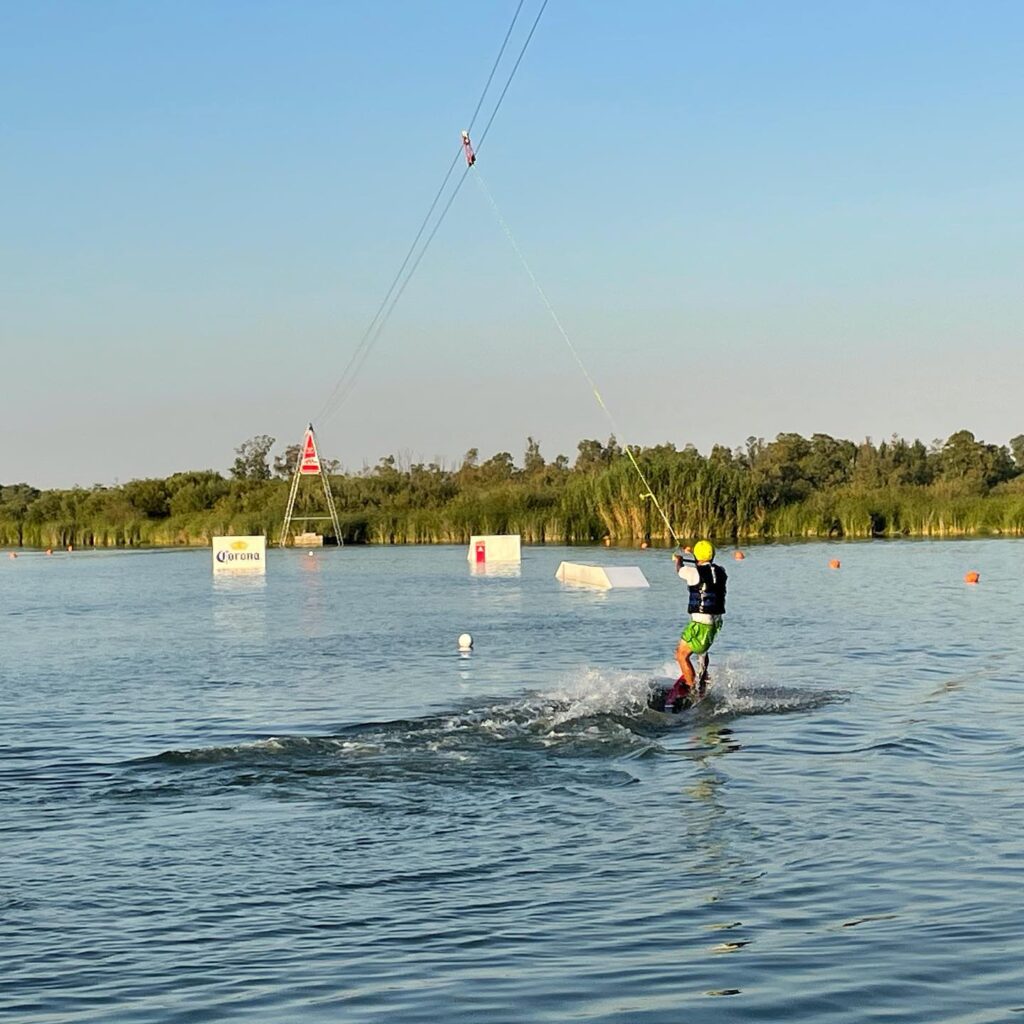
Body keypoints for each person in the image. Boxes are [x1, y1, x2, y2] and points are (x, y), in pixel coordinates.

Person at [666, 539, 727, 704]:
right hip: (715, 623)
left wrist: (678, 561)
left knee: (681, 655)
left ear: (697, 557)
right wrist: (692, 556)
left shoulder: (693, 573)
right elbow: (704, 567)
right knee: (702, 650)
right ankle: (703, 675)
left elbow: (680, 571)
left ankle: (694, 690)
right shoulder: (721, 571)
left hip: (700, 624)